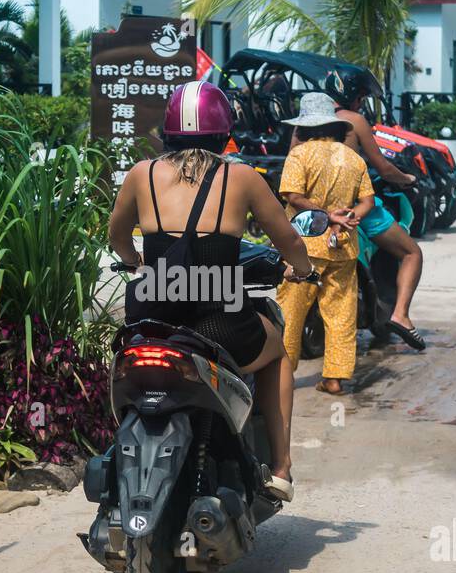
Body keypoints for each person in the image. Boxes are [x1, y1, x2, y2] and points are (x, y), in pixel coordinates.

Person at [107, 80, 315, 502]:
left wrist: (136, 264)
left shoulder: (141, 174)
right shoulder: (242, 177)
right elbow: (288, 239)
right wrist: (304, 269)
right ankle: (280, 467)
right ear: (224, 134)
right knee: (277, 354)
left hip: (154, 318)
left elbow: (117, 235)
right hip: (219, 321)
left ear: (167, 134)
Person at [276, 93, 377, 396]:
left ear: (303, 128)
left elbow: (292, 196)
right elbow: (367, 202)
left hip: (303, 246)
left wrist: (326, 215)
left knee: (290, 313)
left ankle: (281, 375)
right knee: (341, 313)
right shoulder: (353, 158)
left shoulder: (300, 155)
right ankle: (334, 378)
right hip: (343, 246)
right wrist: (345, 218)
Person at [325, 69, 427, 351]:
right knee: (412, 253)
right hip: (355, 206)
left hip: (314, 208)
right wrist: (408, 178)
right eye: (360, 97)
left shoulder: (304, 125)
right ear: (351, 96)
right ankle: (401, 315)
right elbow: (382, 167)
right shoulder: (355, 121)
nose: (360, 104)